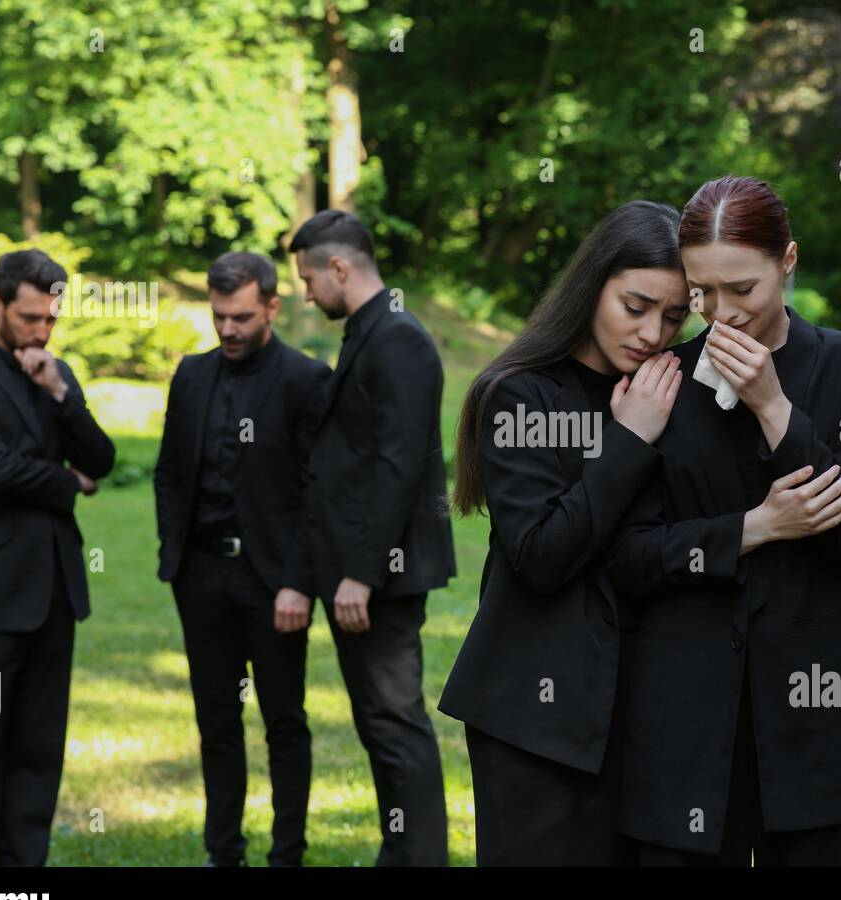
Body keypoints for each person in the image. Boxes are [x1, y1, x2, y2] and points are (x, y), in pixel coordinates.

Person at [608, 177, 841, 866]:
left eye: (743, 288)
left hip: (815, 707)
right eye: (703, 292)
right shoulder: (661, 378)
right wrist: (754, 528)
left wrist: (774, 407)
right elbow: (629, 557)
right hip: (684, 709)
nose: (722, 313)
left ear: (788, 261)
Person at [440, 200, 689, 865]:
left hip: (642, 707)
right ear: (593, 284)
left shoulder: (669, 390)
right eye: (634, 306)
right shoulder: (521, 395)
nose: (651, 332)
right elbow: (542, 554)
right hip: (537, 716)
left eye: (673, 315)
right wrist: (630, 439)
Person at [0, 249, 116, 866]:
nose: (41, 331)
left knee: (38, 749)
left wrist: (61, 392)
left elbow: (103, 459)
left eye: (50, 319)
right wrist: (67, 484)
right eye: (30, 317)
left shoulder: (54, 375)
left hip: (55, 590)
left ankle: (21, 887)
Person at [153, 251, 331, 866]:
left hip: (274, 582)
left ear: (273, 308)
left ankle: (287, 855)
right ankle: (222, 852)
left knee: (284, 720)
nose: (228, 329)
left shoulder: (307, 380)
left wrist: (297, 584)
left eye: (242, 317)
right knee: (216, 721)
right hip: (200, 574)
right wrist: (171, 549)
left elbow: (318, 491)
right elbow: (170, 472)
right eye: (219, 315)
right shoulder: (191, 374)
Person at [289, 210, 455, 866]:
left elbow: (401, 463)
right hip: (358, 570)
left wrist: (362, 571)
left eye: (307, 277)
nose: (304, 292)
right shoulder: (369, 332)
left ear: (340, 267)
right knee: (377, 724)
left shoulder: (398, 339)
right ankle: (402, 853)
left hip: (382, 574)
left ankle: (419, 860)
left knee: (395, 724)